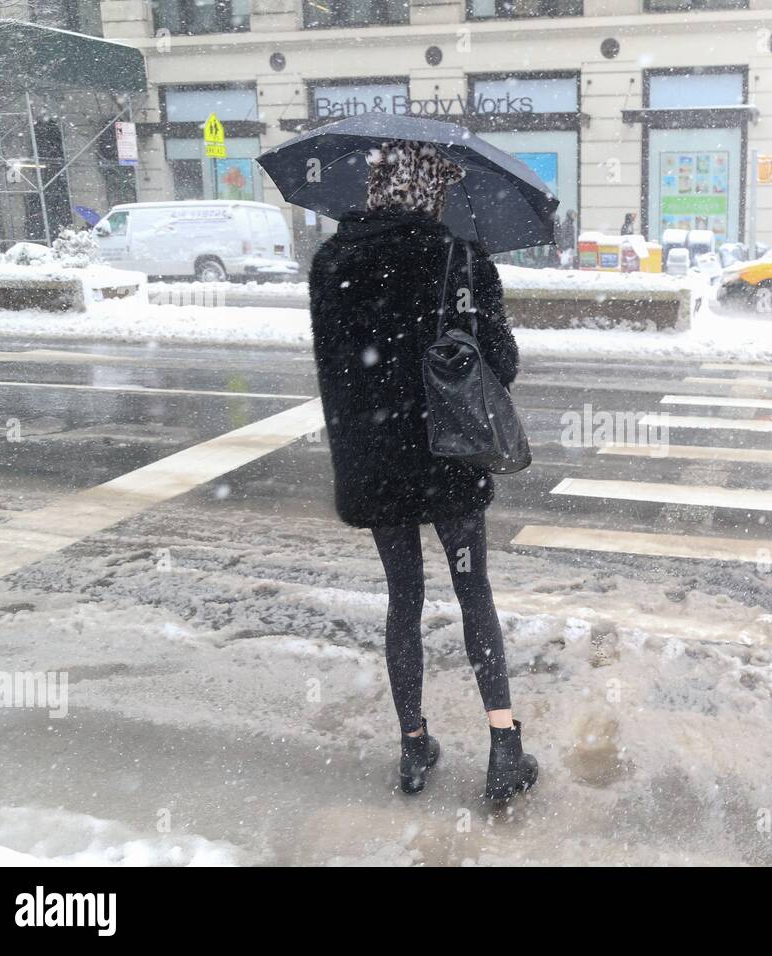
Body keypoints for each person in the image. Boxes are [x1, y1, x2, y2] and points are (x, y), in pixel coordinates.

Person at [308, 140, 539, 801]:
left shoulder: (329, 265)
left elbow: (333, 368)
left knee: (403, 601)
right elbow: (503, 364)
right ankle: (503, 747)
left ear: (379, 188)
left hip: (374, 460)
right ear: (428, 190)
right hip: (450, 457)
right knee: (474, 594)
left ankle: (413, 747)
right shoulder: (461, 259)